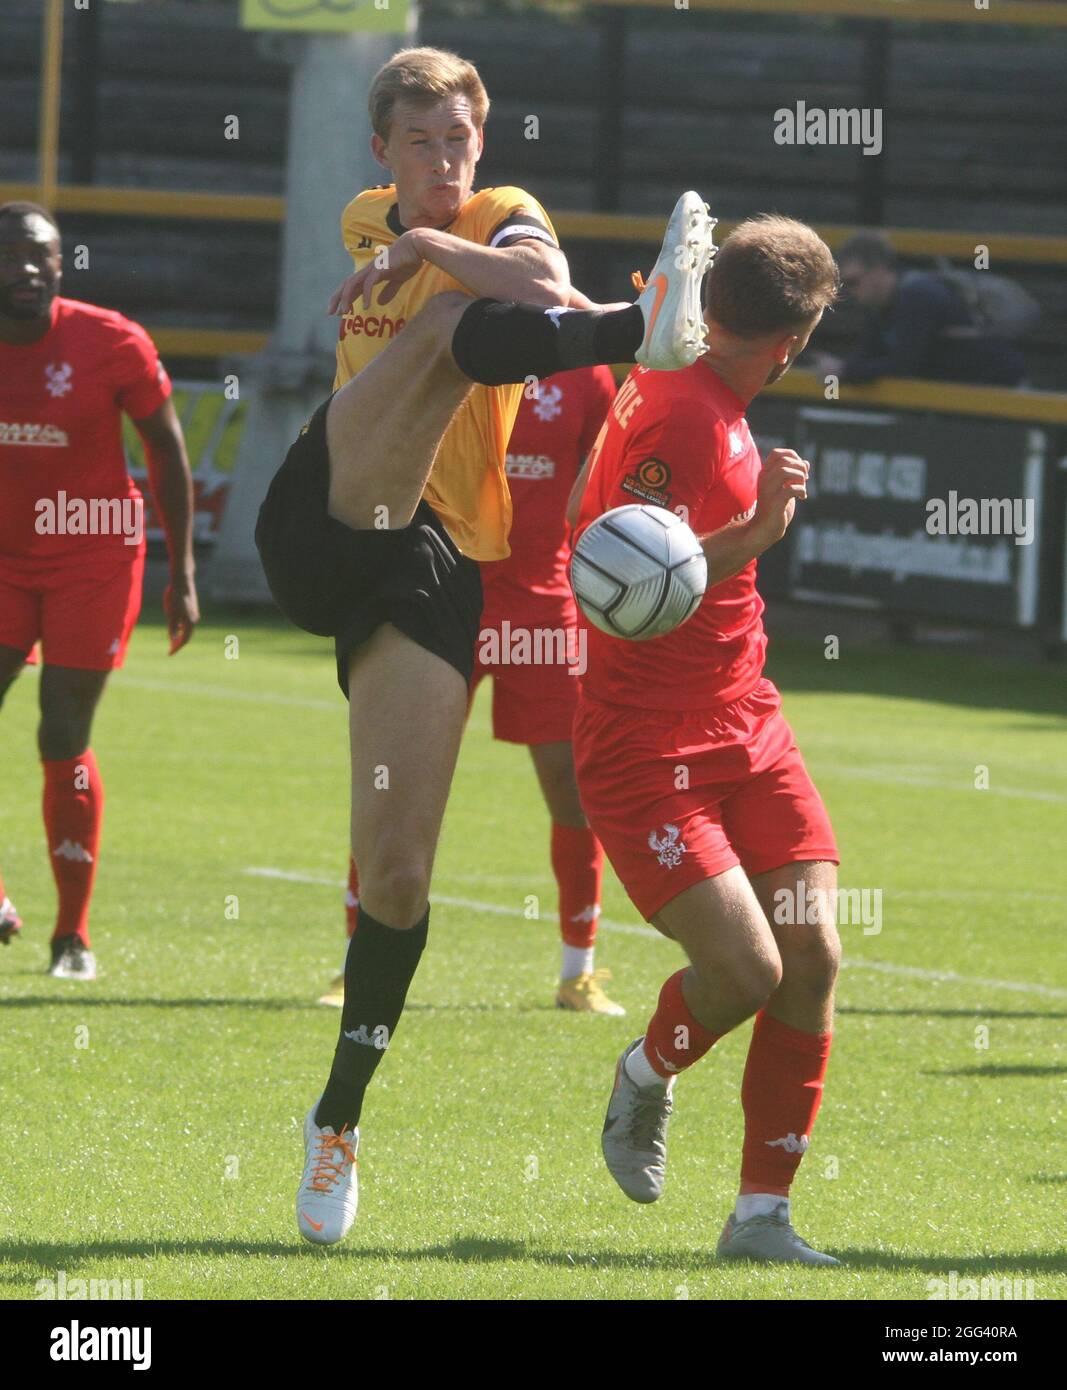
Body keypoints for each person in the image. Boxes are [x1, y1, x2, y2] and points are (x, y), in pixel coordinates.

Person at [253, 46, 715, 1246]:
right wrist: (413, 255)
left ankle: (338, 1115)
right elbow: (487, 305)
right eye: (422, 143)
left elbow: (534, 283)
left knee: (398, 873)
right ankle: (645, 329)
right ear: (382, 153)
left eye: (460, 141)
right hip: (326, 512)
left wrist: (429, 245)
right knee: (451, 321)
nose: (446, 162)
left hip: (429, 568)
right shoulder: (369, 223)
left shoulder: (503, 214)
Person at [570, 214, 843, 1265]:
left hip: (746, 721)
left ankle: (760, 1218)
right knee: (741, 970)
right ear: (794, 341)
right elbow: (620, 591)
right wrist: (756, 535)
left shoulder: (692, 380)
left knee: (812, 953)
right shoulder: (685, 414)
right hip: (644, 741)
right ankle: (645, 1069)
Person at [319, 365, 621, 1016]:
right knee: (392, 783)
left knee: (571, 788)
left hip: (543, 606)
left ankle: (579, 971)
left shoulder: (589, 371)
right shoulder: (460, 347)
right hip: (439, 591)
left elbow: (600, 486)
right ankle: (356, 966)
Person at [0, 201, 199, 980]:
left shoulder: (110, 341)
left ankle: (71, 935)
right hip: (4, 558)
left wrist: (179, 572)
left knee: (61, 732)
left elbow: (167, 449)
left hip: (92, 557)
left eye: (39, 257)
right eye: (9, 255)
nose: (24, 269)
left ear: (60, 266)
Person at [809, 230, 1025, 386]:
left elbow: (903, 364)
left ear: (879, 270)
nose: (851, 291)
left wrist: (843, 370)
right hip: (961, 392)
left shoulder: (918, 296)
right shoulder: (880, 306)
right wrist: (840, 367)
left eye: (854, 281)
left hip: (997, 388)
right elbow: (869, 353)